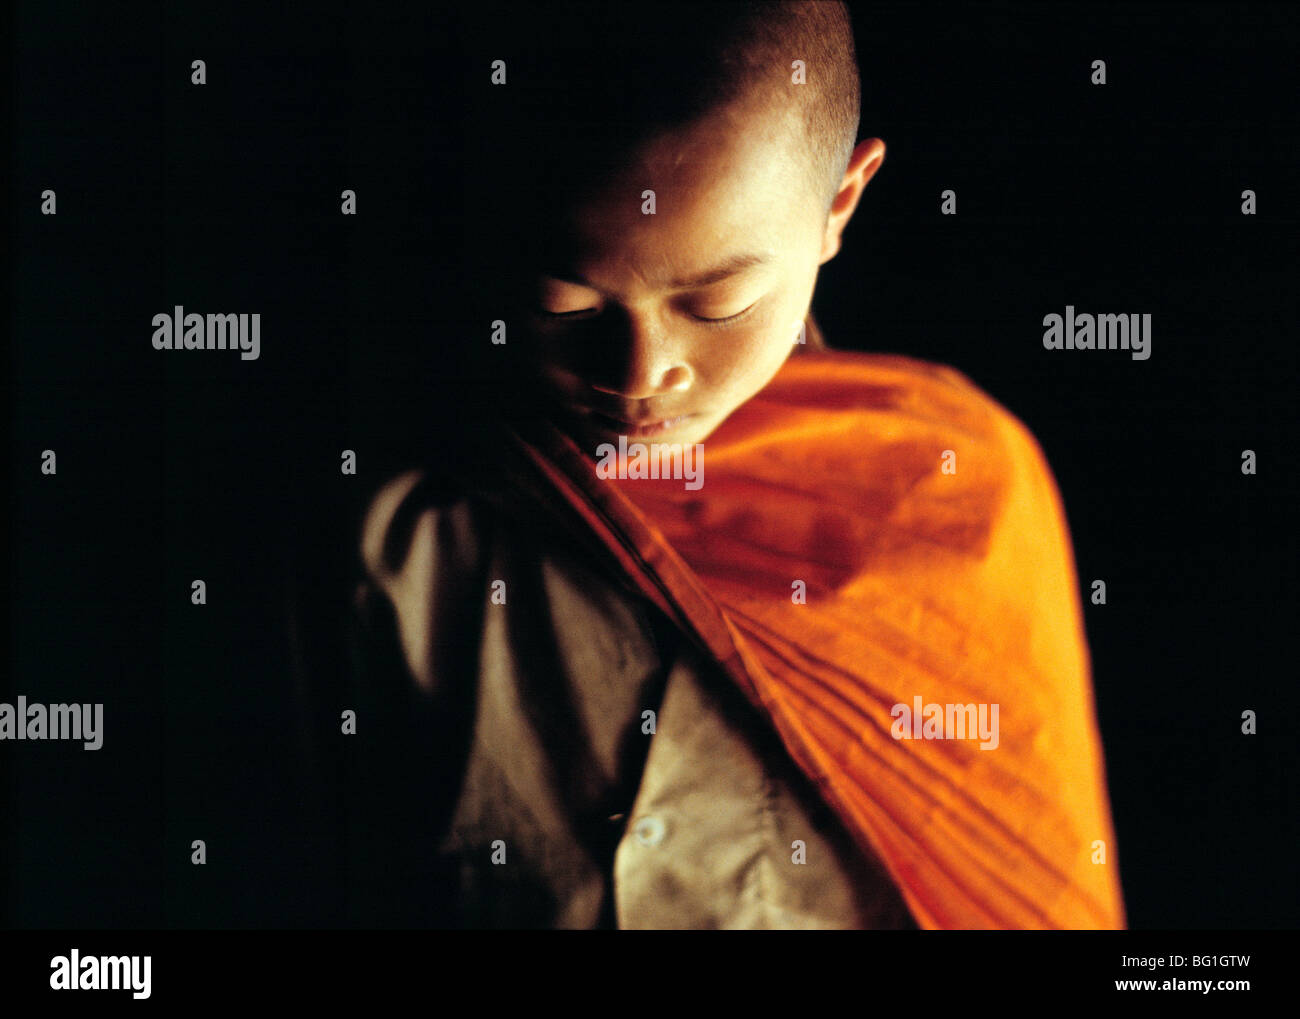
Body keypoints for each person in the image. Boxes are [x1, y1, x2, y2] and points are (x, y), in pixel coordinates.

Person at [333, 0, 1126, 929]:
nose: (639, 377)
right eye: (568, 303)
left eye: (719, 305)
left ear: (841, 204)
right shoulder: (397, 531)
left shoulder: (956, 490)